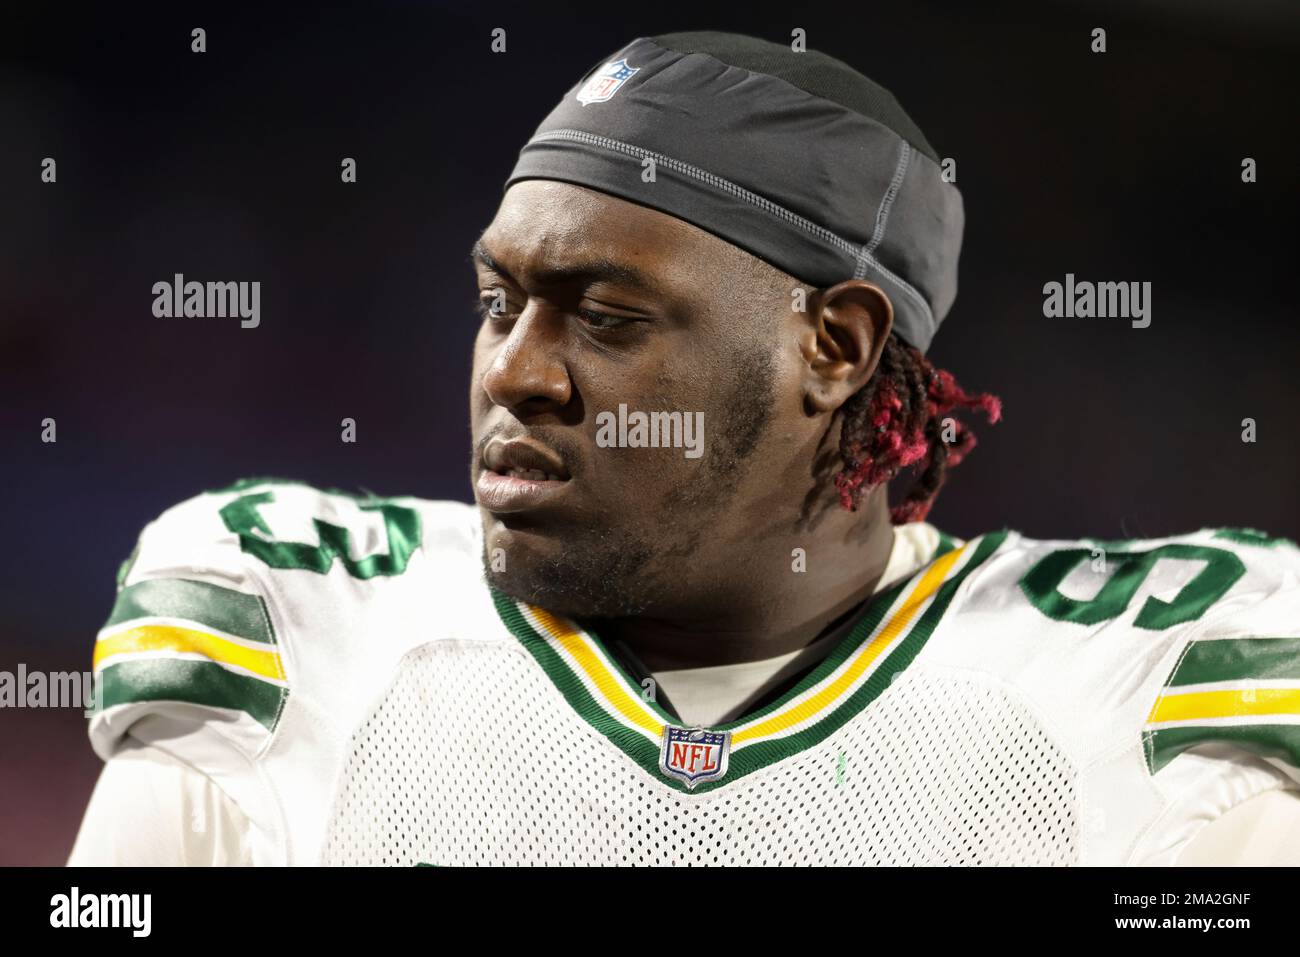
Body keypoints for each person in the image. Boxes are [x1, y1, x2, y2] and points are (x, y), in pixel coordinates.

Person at [70, 31, 1300, 866]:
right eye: (499, 304)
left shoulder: (1139, 684)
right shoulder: (298, 613)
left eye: (607, 320)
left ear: (834, 346)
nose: (513, 373)